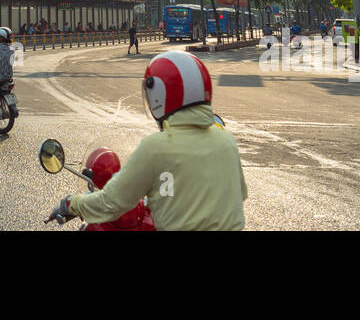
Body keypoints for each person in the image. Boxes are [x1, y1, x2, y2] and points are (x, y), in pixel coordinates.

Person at [49, 51, 247, 230]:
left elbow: (112, 202)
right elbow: (240, 195)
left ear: (158, 94)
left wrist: (71, 203)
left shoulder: (156, 147)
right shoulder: (226, 140)